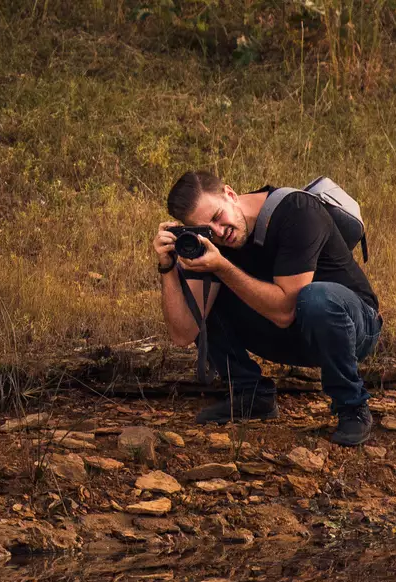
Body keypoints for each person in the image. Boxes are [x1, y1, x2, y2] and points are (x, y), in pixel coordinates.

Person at [152, 171, 383, 446]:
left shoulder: (297, 212)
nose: (218, 232)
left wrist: (222, 267)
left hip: (354, 328)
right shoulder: (213, 243)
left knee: (314, 297)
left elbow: (286, 311)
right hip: (295, 333)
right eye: (205, 229)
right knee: (215, 290)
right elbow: (182, 333)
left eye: (217, 216)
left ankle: (352, 406)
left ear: (230, 194)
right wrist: (167, 268)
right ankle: (251, 395)